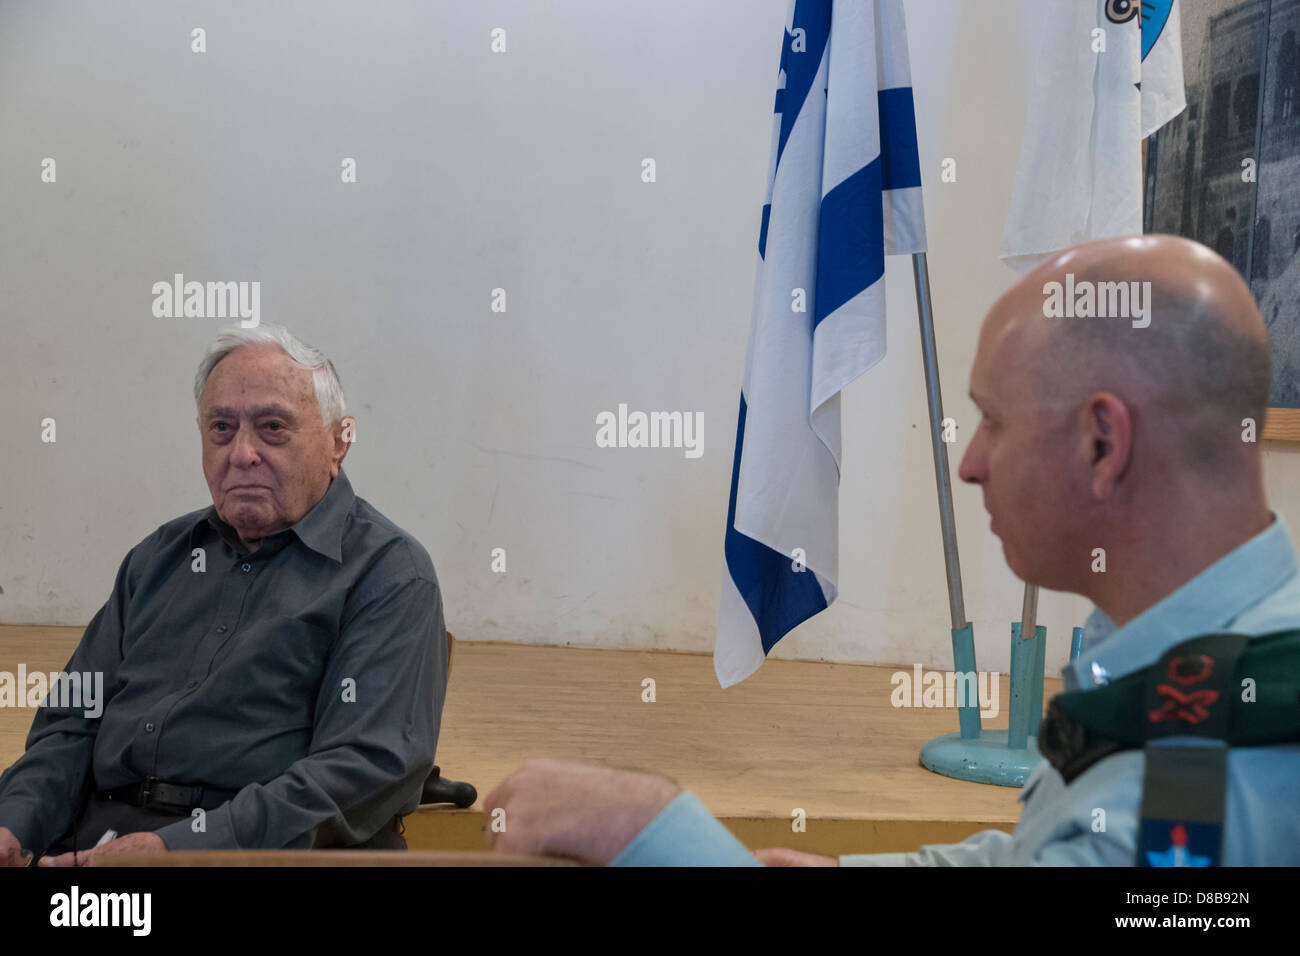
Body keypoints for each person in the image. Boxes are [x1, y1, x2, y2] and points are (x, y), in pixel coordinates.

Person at [484, 235, 1300, 866]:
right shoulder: (1212, 647)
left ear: (1100, 442)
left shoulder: (1212, 765)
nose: (970, 461)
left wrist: (648, 828)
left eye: (995, 420)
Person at [0, 325, 447, 865]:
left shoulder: (389, 574)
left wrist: (178, 848)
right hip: (92, 846)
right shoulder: (160, 557)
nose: (243, 453)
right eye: (221, 428)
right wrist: (16, 822)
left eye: (273, 427)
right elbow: (72, 720)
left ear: (337, 441)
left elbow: (362, 770)